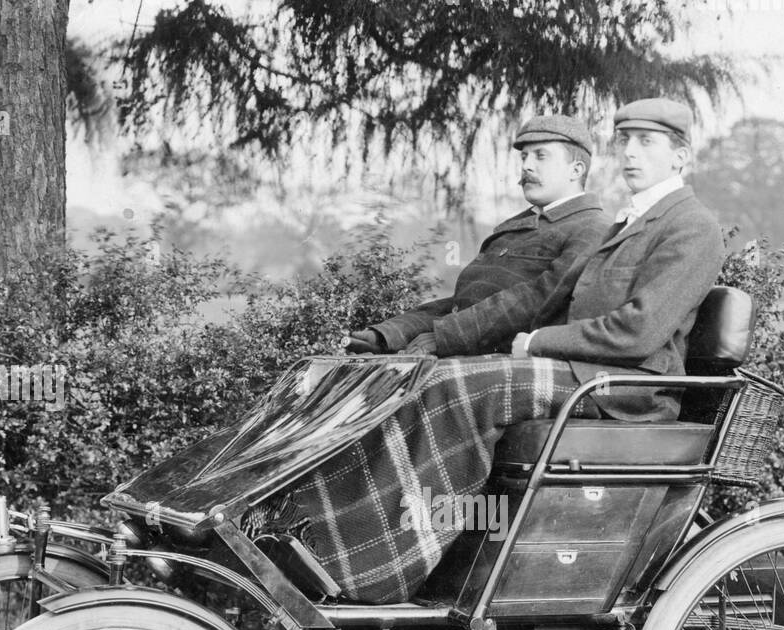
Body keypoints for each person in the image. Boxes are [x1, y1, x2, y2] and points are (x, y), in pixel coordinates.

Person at [253, 99, 725, 603]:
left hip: (627, 390)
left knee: (455, 386)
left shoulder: (691, 225)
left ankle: (383, 567)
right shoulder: (630, 223)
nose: (630, 153)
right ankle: (335, 536)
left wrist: (537, 342)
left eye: (646, 143)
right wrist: (404, 334)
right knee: (441, 381)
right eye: (625, 140)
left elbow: (639, 331)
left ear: (680, 157)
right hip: (587, 372)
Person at [347, 115, 609, 357]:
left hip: (521, 358)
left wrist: (443, 339)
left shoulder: (591, 228)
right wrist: (391, 334)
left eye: (541, 156)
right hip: (474, 350)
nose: (527, 166)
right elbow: (463, 304)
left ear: (575, 170)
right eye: (524, 157)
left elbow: (538, 302)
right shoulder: (517, 228)